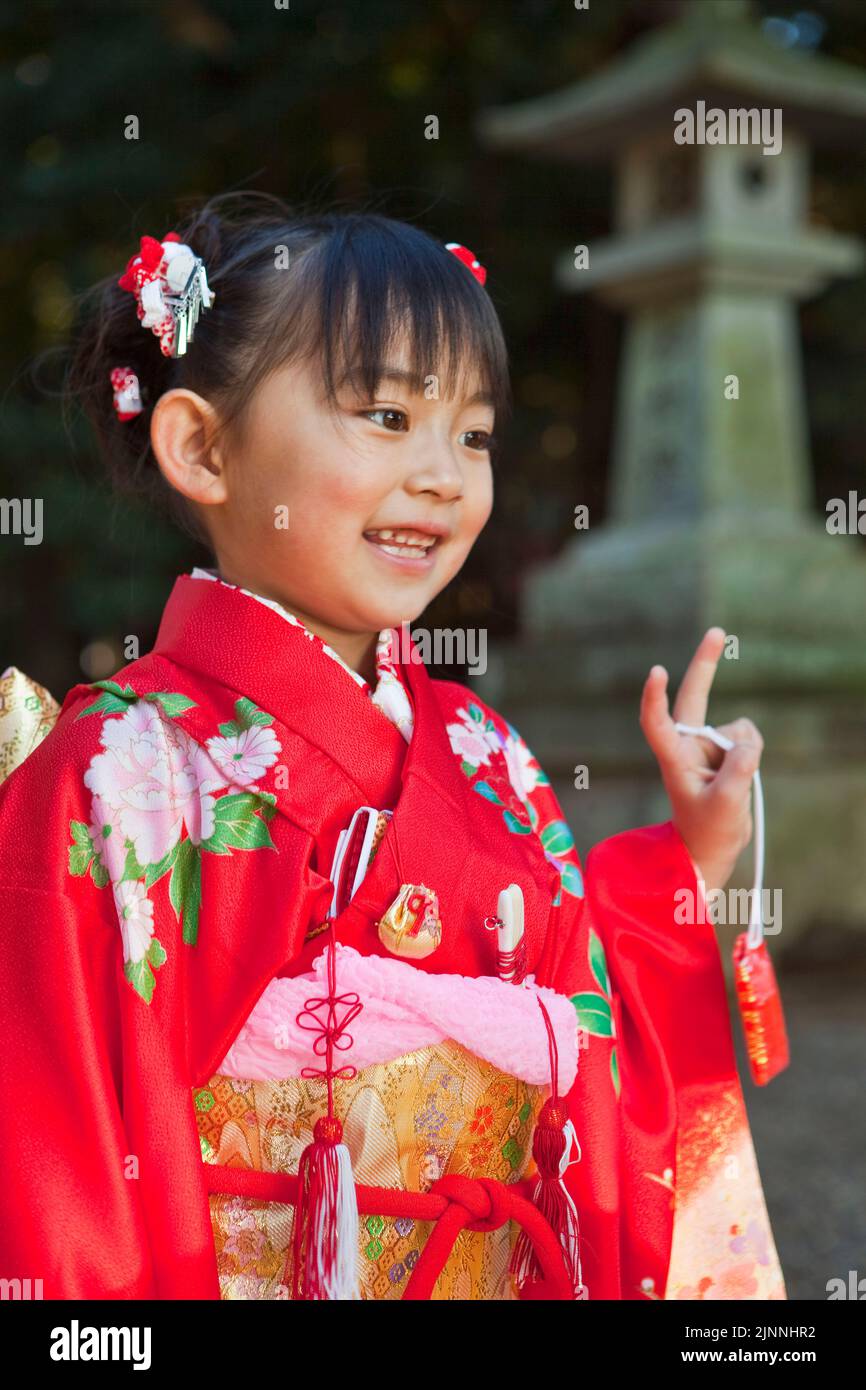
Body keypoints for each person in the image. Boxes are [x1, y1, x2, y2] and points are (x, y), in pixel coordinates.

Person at [0, 190, 786, 1300]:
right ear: (202, 447)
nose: (442, 472)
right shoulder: (115, 769)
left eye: (471, 432)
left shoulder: (484, 750)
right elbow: (56, 1162)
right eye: (384, 416)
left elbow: (581, 1012)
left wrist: (682, 864)